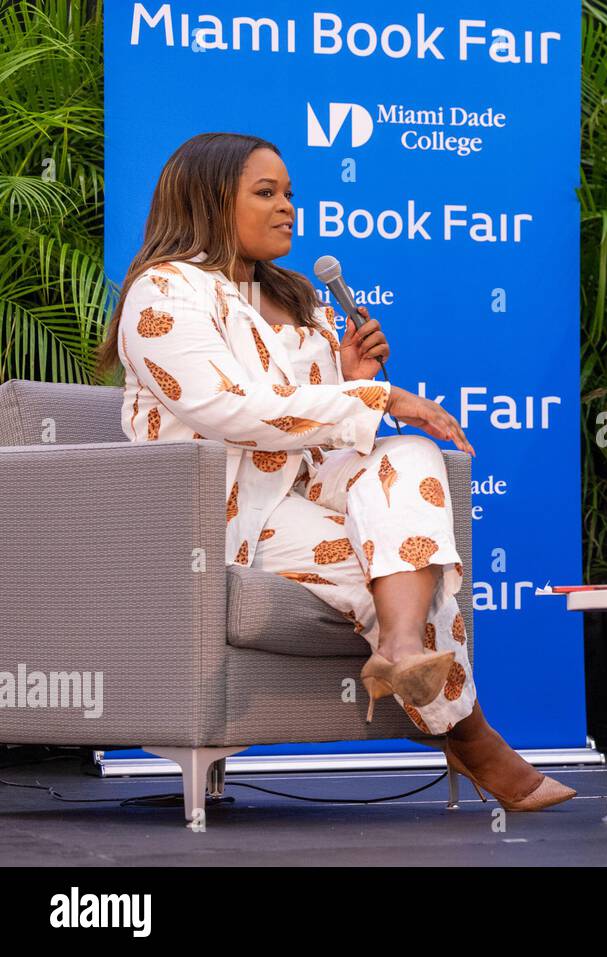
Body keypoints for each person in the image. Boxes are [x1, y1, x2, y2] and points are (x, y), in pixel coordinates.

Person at [95, 132, 574, 811]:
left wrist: (351, 375)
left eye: (290, 193)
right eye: (266, 193)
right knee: (398, 571)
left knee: (409, 454)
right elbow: (234, 409)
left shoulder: (298, 302)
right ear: (207, 200)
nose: (288, 206)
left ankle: (403, 647)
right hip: (216, 514)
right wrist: (382, 396)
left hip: (298, 495)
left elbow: (318, 426)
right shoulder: (165, 292)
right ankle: (471, 738)